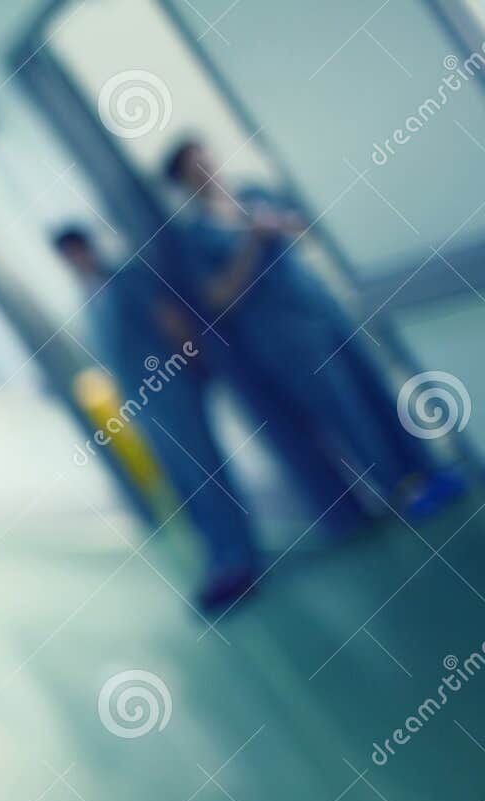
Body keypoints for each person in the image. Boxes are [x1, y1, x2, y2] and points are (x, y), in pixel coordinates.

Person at [163, 137, 466, 521]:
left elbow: (311, 227)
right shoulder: (194, 237)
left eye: (208, 161)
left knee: (376, 388)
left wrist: (281, 224)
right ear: (184, 183)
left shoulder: (255, 193)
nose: (209, 173)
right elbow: (219, 299)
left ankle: (430, 469)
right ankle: (402, 489)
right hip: (283, 337)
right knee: (344, 410)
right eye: (196, 170)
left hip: (320, 306)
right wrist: (252, 243)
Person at [53, 226, 260, 612]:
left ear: (88, 247)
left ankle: (241, 560)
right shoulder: (89, 298)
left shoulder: (126, 279)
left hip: (172, 390)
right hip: (143, 405)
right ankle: (220, 559)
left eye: (78, 251)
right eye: (68, 257)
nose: (76, 260)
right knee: (184, 482)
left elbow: (171, 319)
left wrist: (193, 367)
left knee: (204, 473)